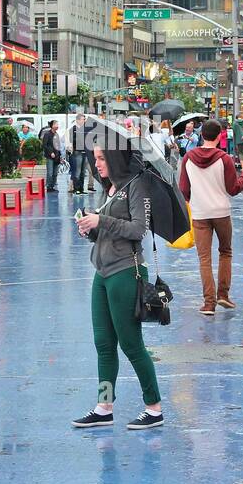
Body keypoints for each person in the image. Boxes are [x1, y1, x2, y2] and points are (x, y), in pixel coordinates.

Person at [71, 144, 164, 430]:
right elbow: (108, 231)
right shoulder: (110, 188)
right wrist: (91, 229)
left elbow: (138, 230)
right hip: (102, 272)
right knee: (104, 344)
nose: (96, 164)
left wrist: (102, 220)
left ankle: (154, 407)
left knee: (131, 344)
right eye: (95, 158)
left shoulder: (137, 186)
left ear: (114, 157)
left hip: (126, 272)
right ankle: (104, 405)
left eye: (102, 158)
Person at [178, 119, 243, 314]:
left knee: (204, 258)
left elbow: (184, 191)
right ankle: (223, 295)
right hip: (221, 212)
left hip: (200, 214)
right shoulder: (224, 159)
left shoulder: (188, 158)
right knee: (225, 252)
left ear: (201, 135)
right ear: (220, 136)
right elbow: (233, 189)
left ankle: (209, 303)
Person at [68, 113, 93, 195]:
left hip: (85, 151)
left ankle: (81, 188)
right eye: (83, 119)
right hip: (77, 152)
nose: (84, 121)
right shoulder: (73, 129)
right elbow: (72, 141)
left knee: (83, 171)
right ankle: (76, 189)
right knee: (77, 171)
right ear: (78, 120)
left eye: (84, 119)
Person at [41, 120, 64, 192]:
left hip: (56, 156)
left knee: (55, 173)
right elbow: (45, 145)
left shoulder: (57, 134)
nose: (57, 126)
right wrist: (50, 152)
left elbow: (58, 146)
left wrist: (60, 156)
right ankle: (48, 187)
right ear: (52, 126)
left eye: (57, 124)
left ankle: (52, 186)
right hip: (50, 156)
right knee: (50, 172)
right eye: (55, 124)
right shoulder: (47, 134)